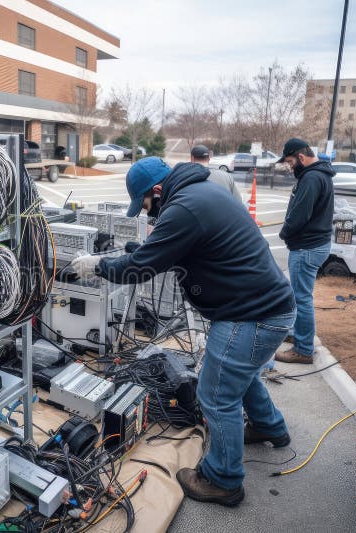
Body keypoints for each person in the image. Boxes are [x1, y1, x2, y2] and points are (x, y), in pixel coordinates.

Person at [69, 157, 295, 507]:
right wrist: (134, 251)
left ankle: (223, 480)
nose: (145, 213)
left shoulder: (184, 209)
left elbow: (143, 267)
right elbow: (169, 251)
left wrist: (97, 265)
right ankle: (269, 426)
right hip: (267, 309)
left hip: (252, 316)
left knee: (216, 393)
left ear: (156, 191)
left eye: (144, 205)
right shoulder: (201, 193)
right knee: (240, 375)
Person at [274, 139, 334, 364]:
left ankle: (303, 349)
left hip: (307, 247)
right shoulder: (321, 174)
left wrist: (285, 233)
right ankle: (299, 334)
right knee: (299, 295)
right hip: (315, 245)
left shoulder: (311, 177)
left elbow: (300, 215)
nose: (290, 167)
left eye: (290, 162)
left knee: (302, 299)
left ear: (301, 157)